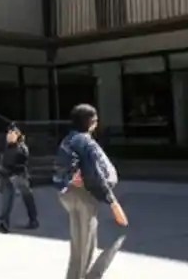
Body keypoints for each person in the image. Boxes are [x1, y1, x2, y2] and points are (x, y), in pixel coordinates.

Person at [54, 104, 128, 279]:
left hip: (67, 193)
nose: (96, 123)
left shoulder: (67, 140)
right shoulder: (86, 142)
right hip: (83, 194)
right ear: (90, 122)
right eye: (94, 120)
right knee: (87, 244)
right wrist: (113, 202)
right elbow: (94, 173)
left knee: (78, 243)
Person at [0, 122, 38, 233]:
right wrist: (0, 173)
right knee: (7, 199)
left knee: (27, 196)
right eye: (8, 133)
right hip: (6, 175)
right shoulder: (5, 147)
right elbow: (2, 161)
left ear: (18, 135)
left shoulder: (21, 148)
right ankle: (4, 222)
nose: (9, 135)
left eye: (12, 133)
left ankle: (33, 219)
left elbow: (21, 162)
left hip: (19, 175)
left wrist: (14, 173)